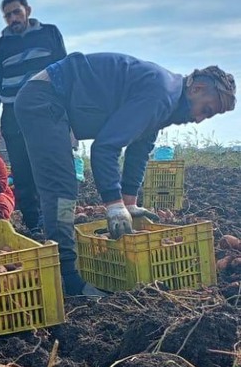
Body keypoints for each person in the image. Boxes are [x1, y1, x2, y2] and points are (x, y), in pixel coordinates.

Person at [15, 53, 236, 296]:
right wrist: (113, 204)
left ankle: (65, 268)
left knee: (64, 188)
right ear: (197, 88)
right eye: (205, 109)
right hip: (44, 96)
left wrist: (129, 204)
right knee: (62, 190)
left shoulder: (166, 100)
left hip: (53, 98)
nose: (199, 119)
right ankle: (67, 279)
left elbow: (140, 148)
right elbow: (105, 148)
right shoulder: (161, 94)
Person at [0, 0, 67, 234]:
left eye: (16, 12)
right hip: (13, 114)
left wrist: (69, 113)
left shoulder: (49, 33)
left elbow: (66, 73)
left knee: (55, 166)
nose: (13, 18)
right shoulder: (1, 46)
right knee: (22, 170)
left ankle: (62, 221)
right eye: (7, 15)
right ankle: (34, 223)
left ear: (28, 10)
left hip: (47, 110)